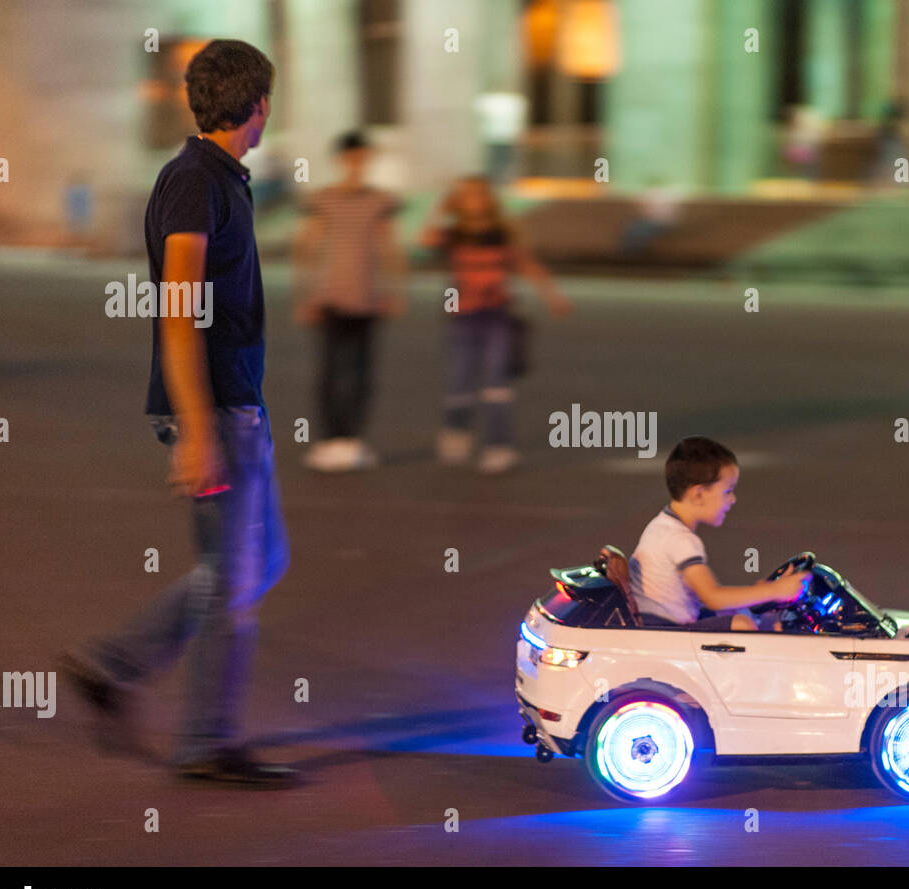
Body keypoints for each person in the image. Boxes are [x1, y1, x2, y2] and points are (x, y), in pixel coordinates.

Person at [61, 39, 299, 788]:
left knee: (254, 563)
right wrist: (196, 430)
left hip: (234, 403)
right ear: (257, 105)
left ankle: (115, 667)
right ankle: (204, 739)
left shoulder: (217, 177)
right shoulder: (195, 182)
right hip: (218, 408)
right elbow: (178, 312)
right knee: (234, 576)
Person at [419, 175, 569, 474]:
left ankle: (498, 446)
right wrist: (441, 208)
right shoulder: (455, 233)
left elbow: (527, 264)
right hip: (462, 316)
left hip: (497, 315)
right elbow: (425, 240)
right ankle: (456, 430)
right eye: (467, 196)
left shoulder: (502, 233)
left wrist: (552, 296)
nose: (475, 201)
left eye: (480, 195)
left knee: (497, 383)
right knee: (459, 381)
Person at [294, 130, 406, 472]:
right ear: (340, 160)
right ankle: (331, 438)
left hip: (368, 295)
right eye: (352, 156)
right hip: (332, 295)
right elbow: (306, 247)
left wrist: (395, 290)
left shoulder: (380, 200)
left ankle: (352, 439)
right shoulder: (323, 199)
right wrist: (305, 294)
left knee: (362, 370)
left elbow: (390, 248)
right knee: (330, 369)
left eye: (363, 156)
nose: (357, 163)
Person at [629, 437, 810, 631]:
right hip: (666, 631)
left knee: (738, 614)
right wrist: (774, 590)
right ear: (698, 495)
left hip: (663, 625)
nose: (733, 499)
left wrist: (764, 591)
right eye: (727, 491)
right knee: (742, 624)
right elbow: (713, 597)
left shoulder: (662, 526)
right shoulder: (680, 539)